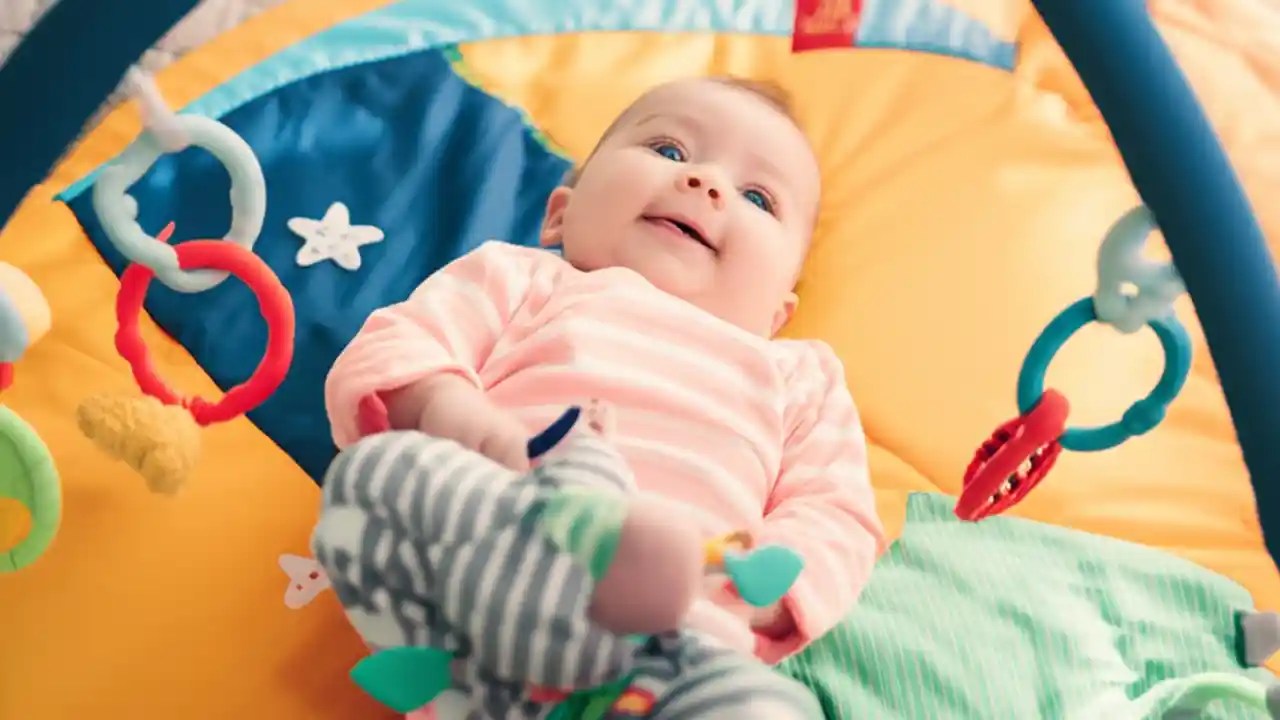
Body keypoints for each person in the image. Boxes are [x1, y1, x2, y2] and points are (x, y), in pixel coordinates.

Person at [324, 75, 885, 669]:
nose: (706, 183)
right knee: (380, 476)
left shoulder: (801, 376)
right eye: (669, 151)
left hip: (679, 614)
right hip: (501, 536)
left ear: (778, 313)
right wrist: (459, 419)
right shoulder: (523, 279)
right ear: (560, 217)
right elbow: (399, 346)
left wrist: (757, 594)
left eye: (758, 199)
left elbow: (837, 514)